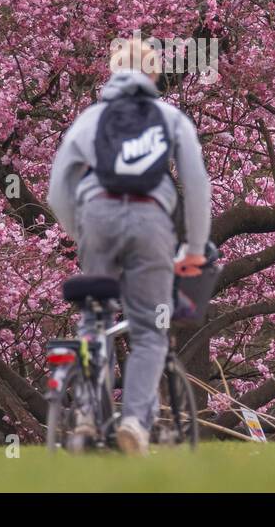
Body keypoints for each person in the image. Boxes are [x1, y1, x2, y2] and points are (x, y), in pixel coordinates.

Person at [46, 35, 212, 455]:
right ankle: (135, 424)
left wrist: (79, 231)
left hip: (97, 220)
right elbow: (196, 185)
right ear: (154, 73)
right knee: (149, 329)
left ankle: (86, 414)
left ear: (114, 72)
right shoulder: (170, 117)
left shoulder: (91, 120)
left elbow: (57, 189)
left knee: (93, 323)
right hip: (151, 222)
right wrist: (194, 247)